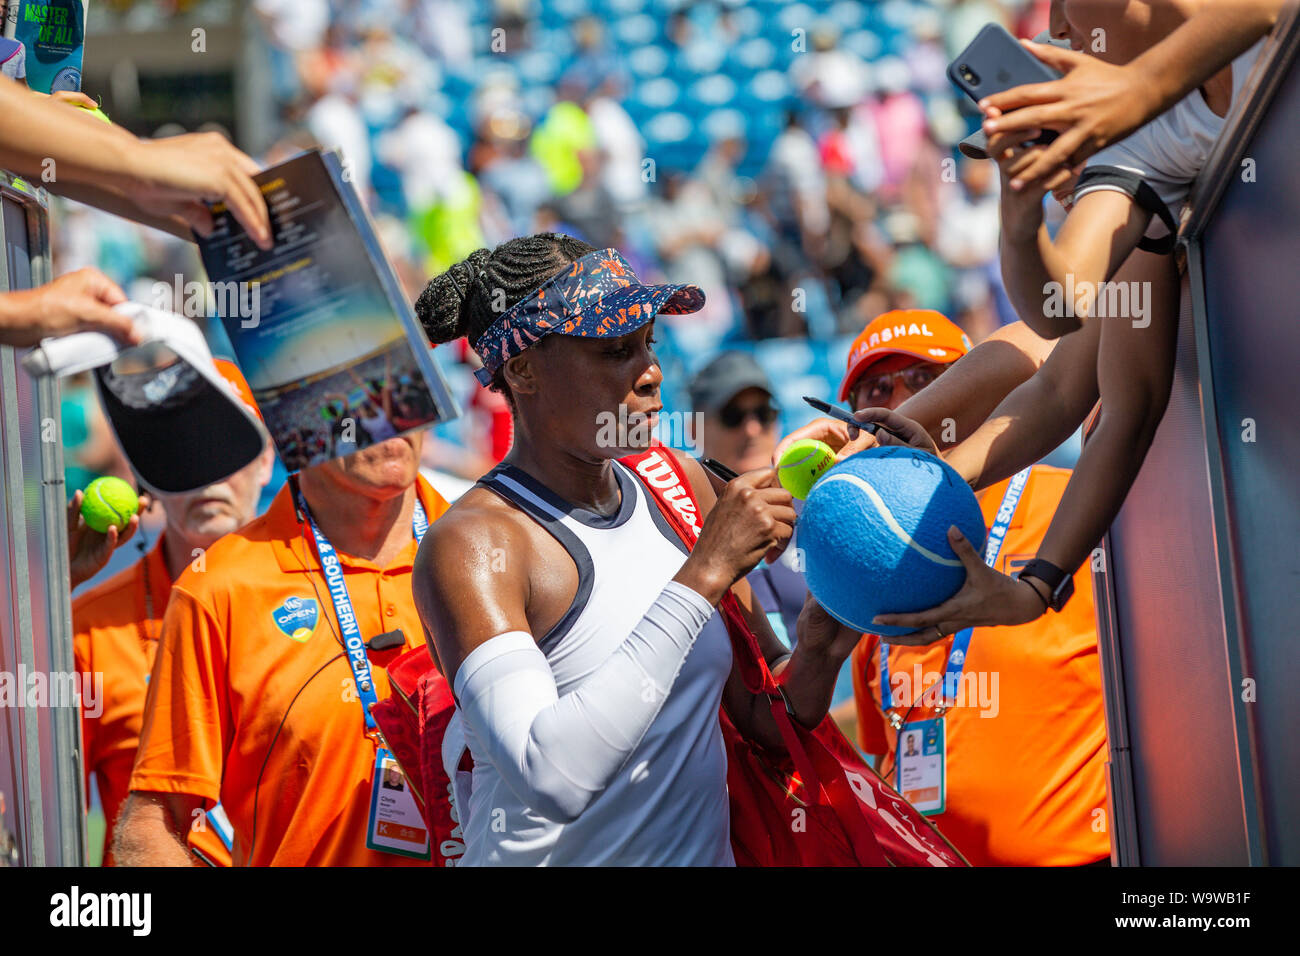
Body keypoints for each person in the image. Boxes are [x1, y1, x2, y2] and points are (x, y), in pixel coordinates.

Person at [410, 234, 860, 866]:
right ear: (522, 370)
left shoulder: (680, 484)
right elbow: (552, 775)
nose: (650, 372)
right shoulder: (475, 543)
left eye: (648, 343)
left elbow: (766, 718)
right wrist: (705, 571)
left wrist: (829, 626)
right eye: (615, 349)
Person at [873, 0, 1273, 636]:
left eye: (1046, 135)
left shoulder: (1144, 120)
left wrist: (1135, 91)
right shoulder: (1147, 163)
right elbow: (1078, 369)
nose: (1058, 20)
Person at [835, 311, 1110, 866]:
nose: (902, 398)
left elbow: (1045, 344)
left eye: (926, 378)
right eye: (877, 388)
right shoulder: (864, 561)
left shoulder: (1072, 505)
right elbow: (874, 734)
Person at [114, 431, 451, 866]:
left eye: (404, 377)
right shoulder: (218, 586)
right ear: (289, 412)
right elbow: (155, 819)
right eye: (350, 385)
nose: (386, 411)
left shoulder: (495, 546)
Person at [73, 360, 274, 867]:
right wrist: (43, 592)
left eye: (225, 444)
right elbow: (27, 813)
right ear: (145, 477)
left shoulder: (328, 597)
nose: (205, 470)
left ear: (267, 459)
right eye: (179, 449)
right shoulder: (87, 628)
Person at [978, 0, 1286, 192]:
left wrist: (1141, 87)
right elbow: (1074, 291)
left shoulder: (1153, 125)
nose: (1058, 27)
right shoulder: (1150, 144)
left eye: (1047, 134)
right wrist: (1019, 219)